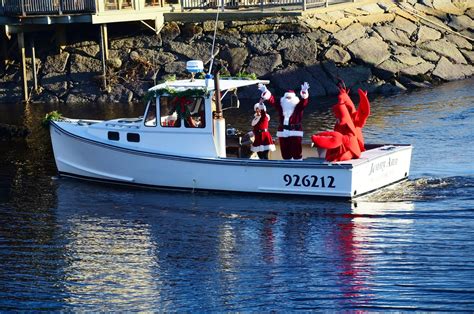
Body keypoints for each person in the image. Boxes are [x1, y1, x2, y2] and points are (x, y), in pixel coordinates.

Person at [258, 82, 310, 160]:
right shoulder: (281, 105)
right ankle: (286, 165)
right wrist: (266, 92)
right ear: (284, 98)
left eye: (290, 98)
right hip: (283, 131)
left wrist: (304, 93)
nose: (288, 100)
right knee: (285, 152)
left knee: (296, 152)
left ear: (294, 98)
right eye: (287, 98)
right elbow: (272, 100)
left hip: (295, 131)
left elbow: (304, 103)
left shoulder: (298, 106)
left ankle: (297, 165)